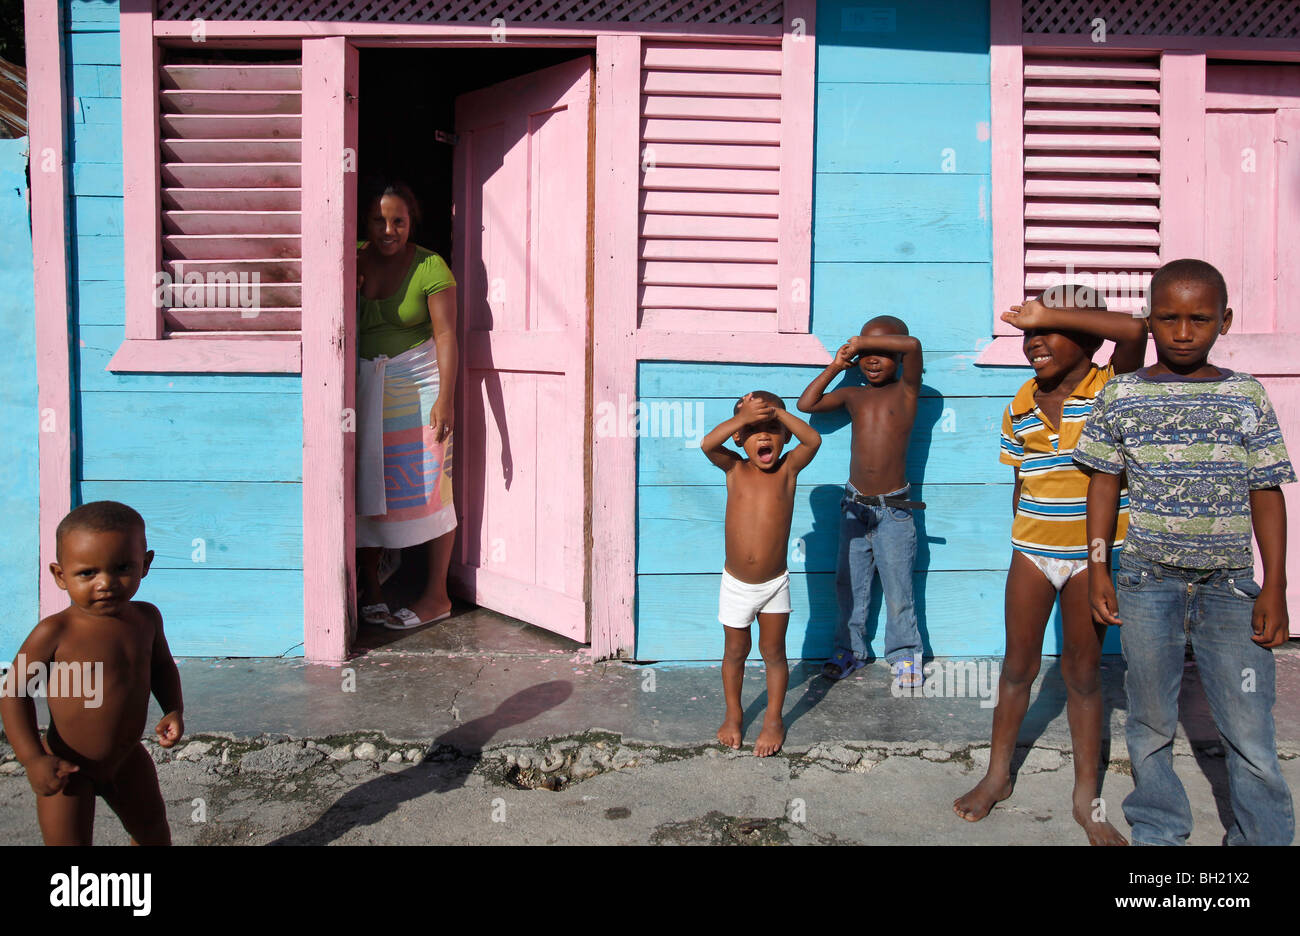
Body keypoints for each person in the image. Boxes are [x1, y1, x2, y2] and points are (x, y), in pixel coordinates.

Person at [1075, 258, 1295, 846]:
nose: (1181, 331)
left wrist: (1275, 585)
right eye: (1168, 317)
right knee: (1148, 722)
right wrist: (1099, 566)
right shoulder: (1122, 395)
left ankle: (1262, 838)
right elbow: (1103, 484)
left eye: (1198, 318)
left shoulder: (1245, 396)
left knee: (1249, 727)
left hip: (1229, 587)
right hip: (1148, 583)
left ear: (1224, 321)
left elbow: (1266, 491)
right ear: (1148, 320)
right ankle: (1159, 833)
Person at [952, 287, 1146, 845]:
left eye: (1047, 329)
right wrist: (1024, 539)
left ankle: (1088, 799)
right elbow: (1021, 482)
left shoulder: (1111, 388)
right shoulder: (1020, 402)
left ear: (1087, 337)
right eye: (1026, 333)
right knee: (1017, 668)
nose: (1033, 339)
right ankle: (997, 775)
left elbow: (1134, 331)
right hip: (1031, 552)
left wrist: (1047, 311)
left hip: (1093, 557)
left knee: (1083, 675)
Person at [0, 502, 183, 845]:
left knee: (153, 832)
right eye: (88, 573)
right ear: (60, 575)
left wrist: (173, 708)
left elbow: (161, 666)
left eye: (122, 568)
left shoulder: (146, 619)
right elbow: (14, 693)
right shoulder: (54, 633)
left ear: (145, 565)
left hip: (127, 760)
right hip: (66, 766)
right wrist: (33, 759)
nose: (106, 583)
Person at [797, 316, 925, 688]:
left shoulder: (907, 392)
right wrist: (839, 364)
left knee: (899, 586)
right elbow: (809, 403)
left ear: (898, 359)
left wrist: (863, 341)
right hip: (854, 508)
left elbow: (913, 345)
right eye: (866, 354)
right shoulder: (854, 395)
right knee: (848, 585)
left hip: (895, 510)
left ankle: (904, 653)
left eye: (884, 353)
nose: (872, 360)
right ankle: (849, 650)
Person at [355, 179, 459, 630]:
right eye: (379, 220)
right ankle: (370, 585)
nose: (388, 229)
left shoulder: (431, 266)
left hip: (418, 387)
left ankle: (437, 594)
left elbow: (445, 334)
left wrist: (446, 399)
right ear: (365, 222)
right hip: (361, 387)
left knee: (433, 486)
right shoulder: (352, 257)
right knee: (366, 484)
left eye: (398, 220)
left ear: (411, 221)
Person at [702, 391, 820, 756]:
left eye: (772, 429)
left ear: (784, 436)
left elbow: (813, 439)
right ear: (740, 438)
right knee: (735, 651)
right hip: (735, 584)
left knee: (773, 652)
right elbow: (709, 444)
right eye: (755, 430)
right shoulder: (734, 468)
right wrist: (744, 418)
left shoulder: (788, 469)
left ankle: (773, 719)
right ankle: (733, 714)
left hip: (774, 585)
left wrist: (778, 414)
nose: (765, 436)